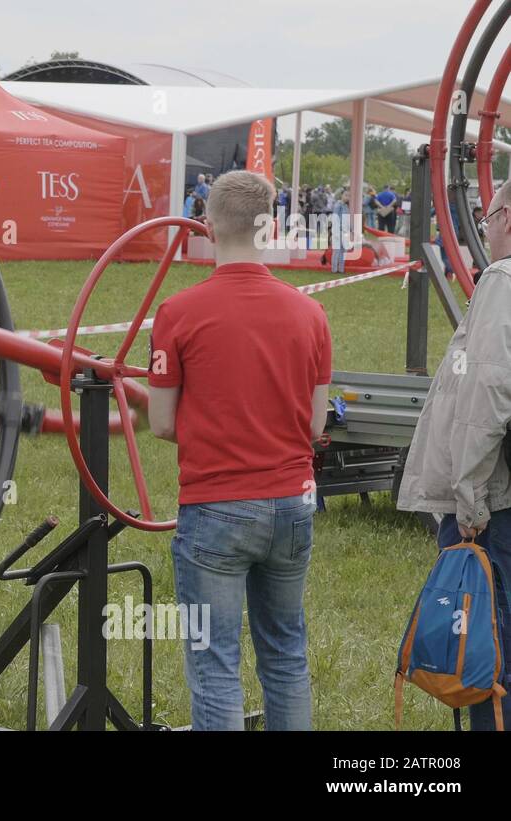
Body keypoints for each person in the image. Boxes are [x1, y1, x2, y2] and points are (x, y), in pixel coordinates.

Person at [148, 170, 332, 731]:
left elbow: (160, 423)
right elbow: (316, 423)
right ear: (270, 224)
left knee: (215, 665)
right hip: (293, 505)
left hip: (215, 510)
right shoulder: (310, 314)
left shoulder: (178, 313)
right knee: (285, 655)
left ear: (206, 224)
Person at [396, 180, 511, 731]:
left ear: (506, 217)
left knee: (487, 651)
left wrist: (468, 501)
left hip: (497, 507)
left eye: (486, 218)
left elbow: (484, 400)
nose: (483, 229)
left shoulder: (502, 279)